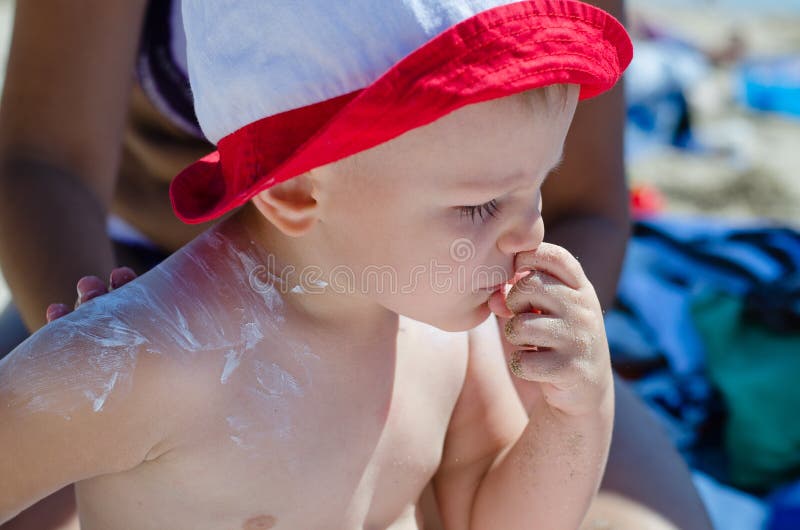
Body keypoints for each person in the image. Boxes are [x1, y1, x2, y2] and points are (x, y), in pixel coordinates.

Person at [0, 1, 712, 530]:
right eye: (478, 208)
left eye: (536, 189)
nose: (528, 232)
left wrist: (576, 415)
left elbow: (486, 518)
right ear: (294, 188)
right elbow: (38, 162)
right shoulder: (144, 359)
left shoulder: (445, 334)